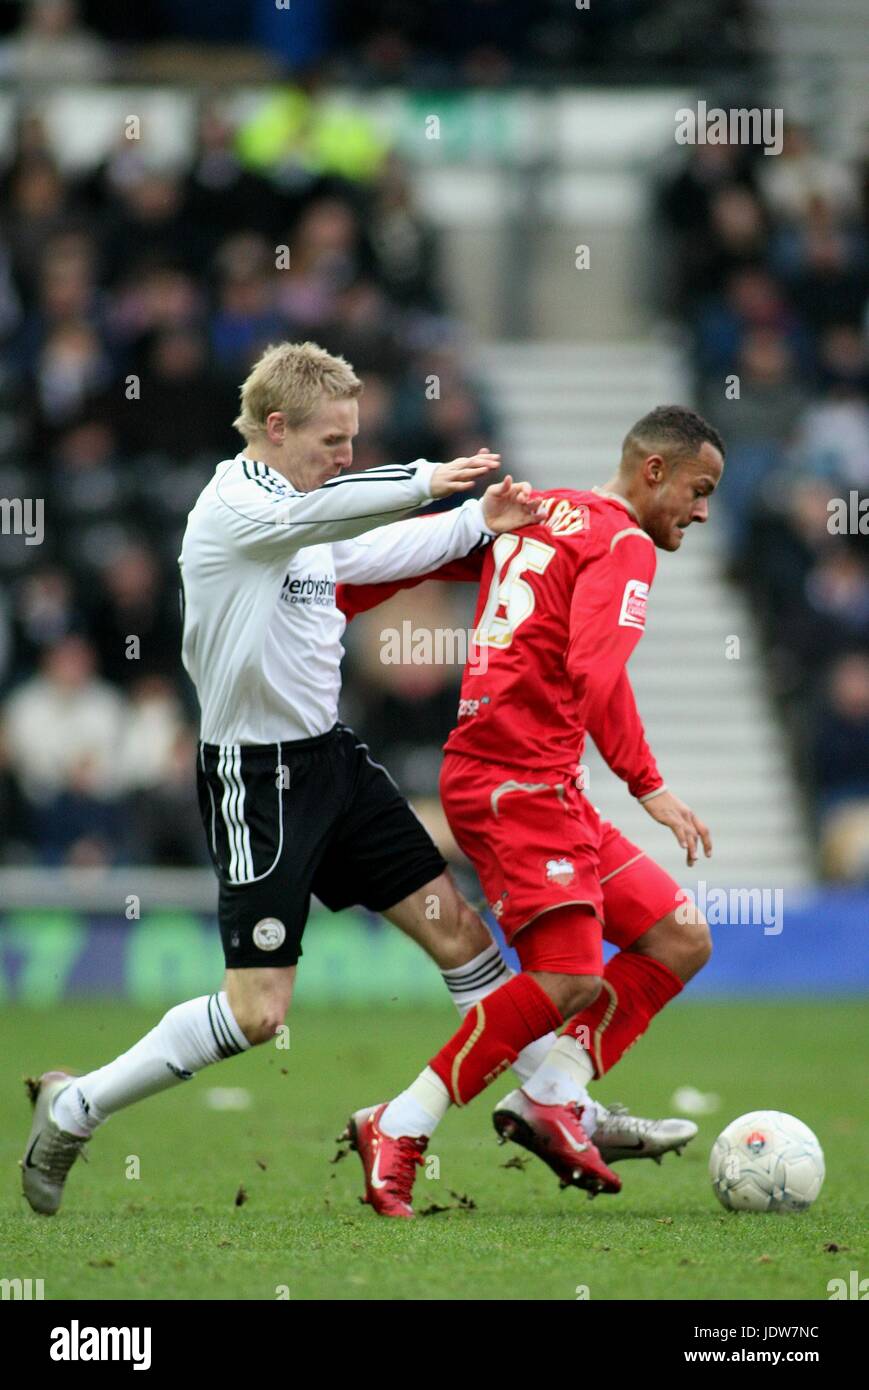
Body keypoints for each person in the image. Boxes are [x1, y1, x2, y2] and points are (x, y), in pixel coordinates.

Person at [20, 339, 553, 1215]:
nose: (346, 455)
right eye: (333, 440)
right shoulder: (237, 506)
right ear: (276, 428)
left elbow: (362, 555)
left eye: (352, 439)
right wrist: (430, 478)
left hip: (332, 763)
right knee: (258, 1012)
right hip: (256, 779)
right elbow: (342, 515)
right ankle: (75, 1106)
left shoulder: (304, 515)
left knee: (458, 930)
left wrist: (476, 523)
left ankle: (555, 1101)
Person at [341, 405, 725, 1216]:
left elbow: (428, 561)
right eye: (698, 489)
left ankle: (553, 1092)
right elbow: (593, 671)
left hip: (538, 781)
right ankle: (400, 1123)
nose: (701, 510)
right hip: (516, 782)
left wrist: (325, 593)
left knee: (679, 937)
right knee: (566, 978)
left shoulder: (538, 509)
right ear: (651, 471)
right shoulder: (620, 544)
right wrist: (648, 783)